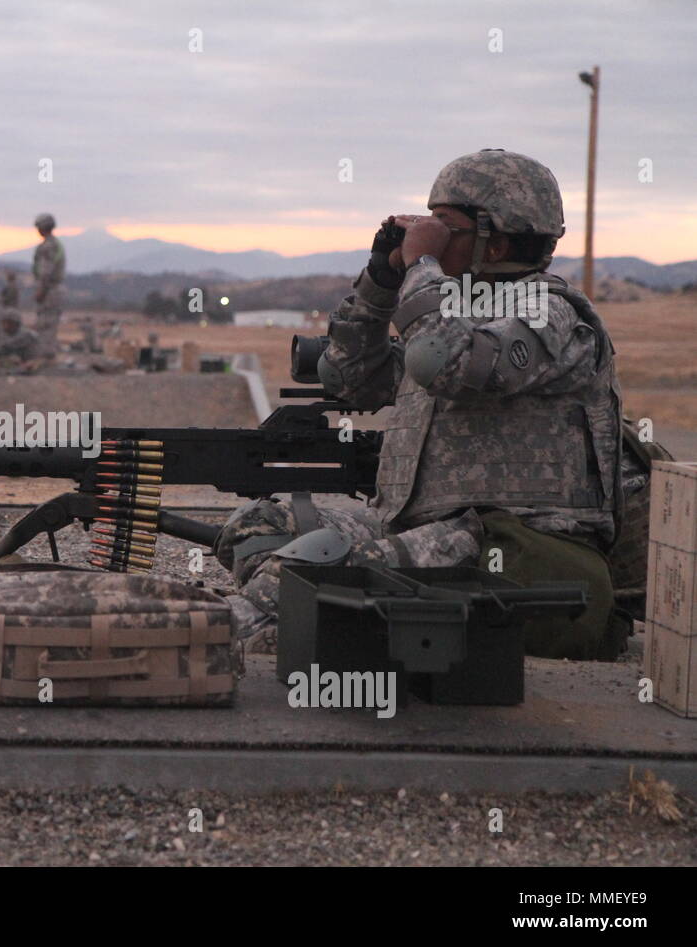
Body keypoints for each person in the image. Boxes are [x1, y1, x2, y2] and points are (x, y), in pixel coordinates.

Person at [216, 149, 633, 659]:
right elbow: (351, 378)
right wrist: (381, 278)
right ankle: (337, 627)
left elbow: (451, 363)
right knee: (257, 527)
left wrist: (421, 265)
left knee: (292, 581)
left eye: (444, 228)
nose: (425, 237)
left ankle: (283, 634)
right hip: (427, 534)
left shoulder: (550, 312)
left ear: (495, 243)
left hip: (510, 545)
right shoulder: (450, 315)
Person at [31, 213, 66, 358]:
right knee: (49, 322)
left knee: (46, 323)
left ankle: (45, 355)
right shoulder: (56, 244)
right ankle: (47, 354)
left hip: (49, 290)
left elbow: (46, 272)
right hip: (54, 289)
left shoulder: (47, 247)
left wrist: (41, 291)